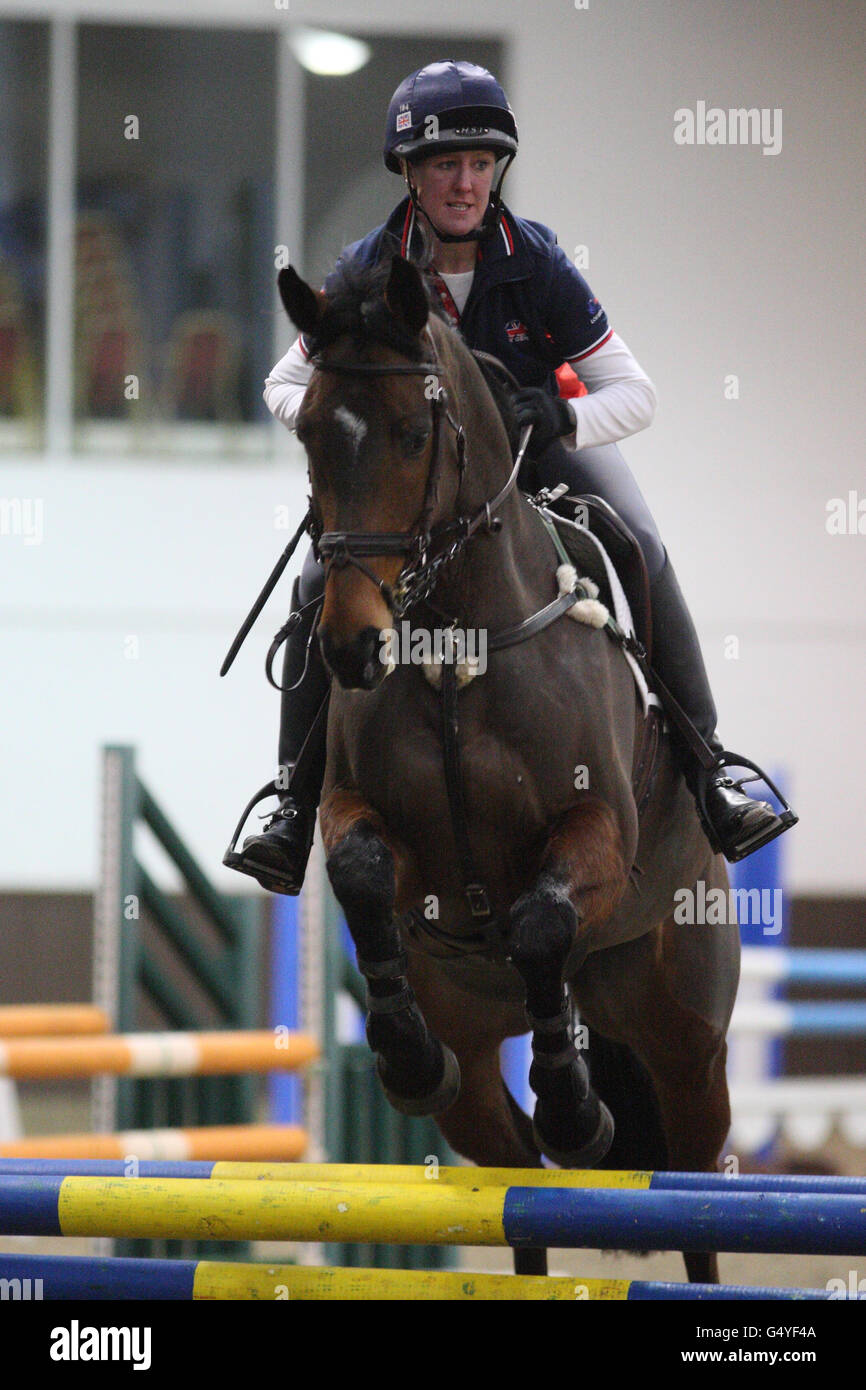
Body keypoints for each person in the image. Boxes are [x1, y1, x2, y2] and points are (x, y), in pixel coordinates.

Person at [227, 60, 794, 894]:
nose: (465, 183)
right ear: (411, 174)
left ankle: (711, 772)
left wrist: (561, 417)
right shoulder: (365, 268)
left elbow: (636, 395)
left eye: (481, 165)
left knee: (639, 539)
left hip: (542, 450)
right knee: (320, 576)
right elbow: (283, 385)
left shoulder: (537, 263)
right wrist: (352, 428)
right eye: (446, 166)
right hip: (420, 473)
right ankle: (290, 801)